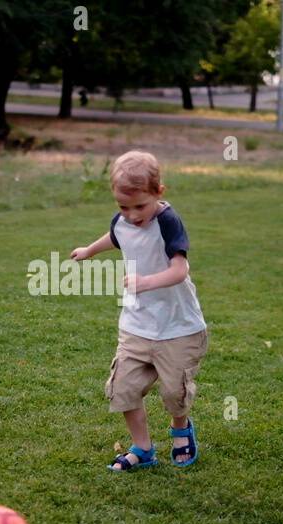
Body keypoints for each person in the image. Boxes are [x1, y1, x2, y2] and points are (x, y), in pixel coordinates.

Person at [70, 151, 209, 471]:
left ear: (159, 192)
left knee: (174, 392)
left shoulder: (167, 222)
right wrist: (90, 250)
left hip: (178, 327)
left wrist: (146, 282)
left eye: (139, 206)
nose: (131, 215)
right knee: (123, 389)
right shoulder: (123, 221)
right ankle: (143, 448)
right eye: (123, 206)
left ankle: (180, 428)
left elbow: (180, 270)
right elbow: (117, 235)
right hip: (136, 325)